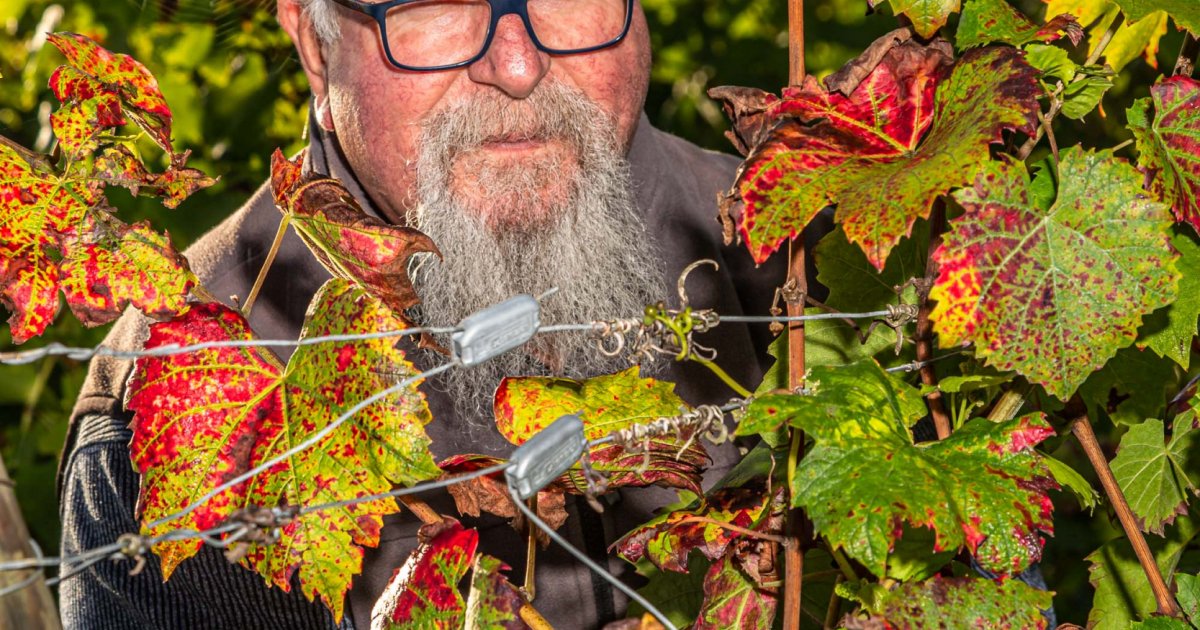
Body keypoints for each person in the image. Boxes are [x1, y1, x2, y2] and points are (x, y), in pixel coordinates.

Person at [57, 0, 791, 628]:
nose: (517, 65)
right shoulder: (187, 413)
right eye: (433, 4)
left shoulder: (805, 251)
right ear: (316, 45)